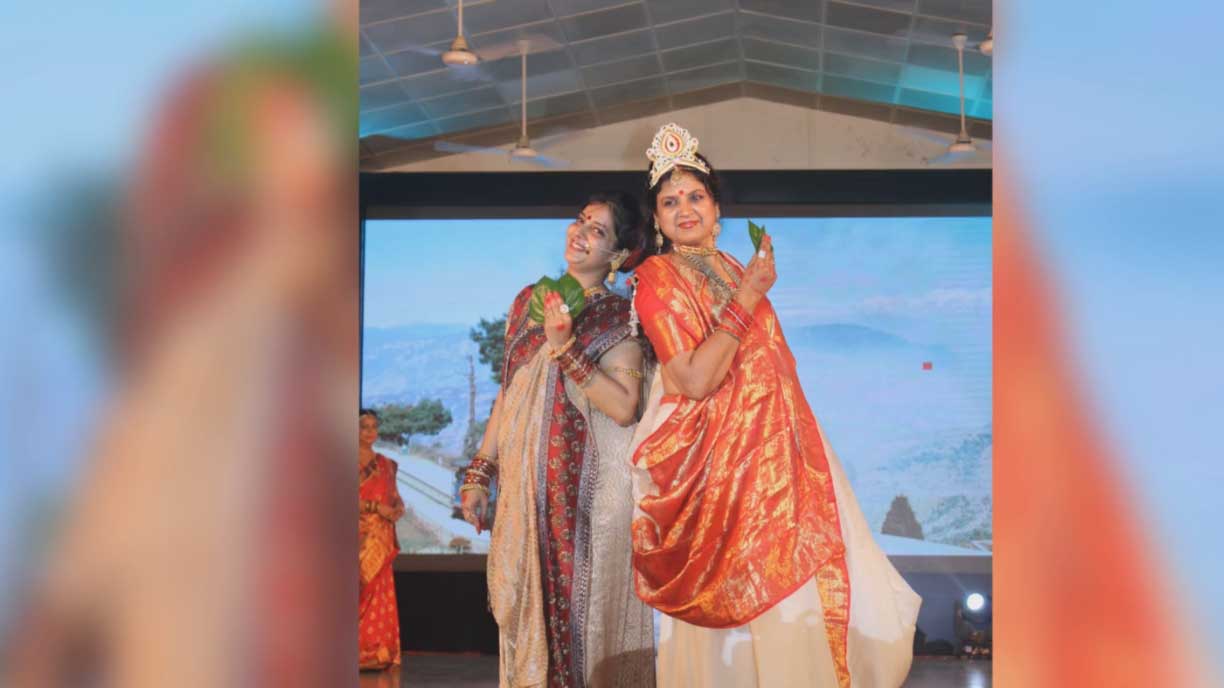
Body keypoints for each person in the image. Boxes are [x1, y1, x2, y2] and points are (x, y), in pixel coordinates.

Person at [627, 123, 921, 687]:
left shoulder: (738, 269)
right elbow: (690, 379)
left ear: (717, 211)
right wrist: (750, 297)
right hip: (718, 472)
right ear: (657, 221)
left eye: (695, 197)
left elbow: (774, 372)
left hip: (779, 458)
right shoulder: (657, 277)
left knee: (799, 603)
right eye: (670, 201)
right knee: (748, 610)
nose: (685, 209)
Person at [460, 193, 656, 688]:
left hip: (589, 505)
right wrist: (482, 472)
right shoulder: (530, 301)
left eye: (597, 230)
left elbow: (624, 405)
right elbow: (511, 392)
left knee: (583, 631)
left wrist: (565, 347)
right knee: (525, 625)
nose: (580, 232)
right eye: (580, 221)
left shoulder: (619, 316)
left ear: (619, 254)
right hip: (528, 498)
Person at [359, 409, 406, 670]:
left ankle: (378, 651)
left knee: (379, 593)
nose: (370, 432)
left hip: (381, 537)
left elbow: (393, 494)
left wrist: (398, 505)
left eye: (374, 426)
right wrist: (377, 509)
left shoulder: (386, 464)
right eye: (364, 426)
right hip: (356, 539)